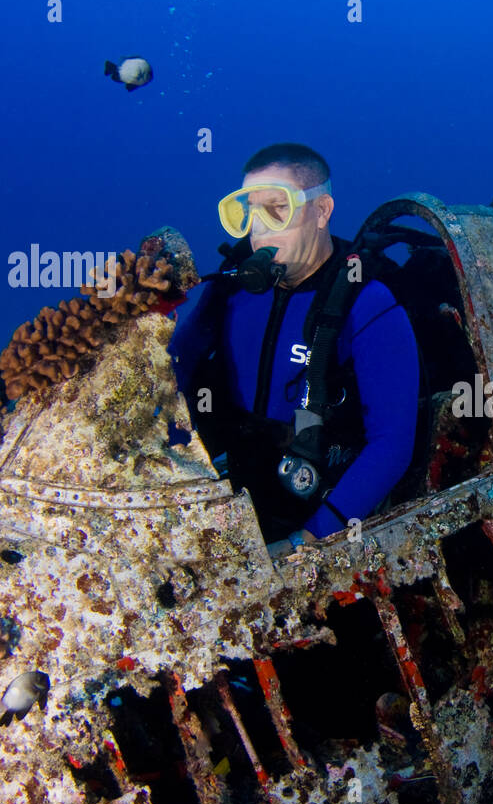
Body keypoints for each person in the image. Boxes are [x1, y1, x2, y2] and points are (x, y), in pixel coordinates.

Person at [168, 143, 419, 547]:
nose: (259, 227)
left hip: (315, 507)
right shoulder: (230, 290)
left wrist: (308, 539)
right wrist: (169, 458)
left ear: (322, 211)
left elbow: (392, 443)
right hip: (228, 490)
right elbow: (173, 369)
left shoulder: (368, 305)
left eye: (277, 208)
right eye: (248, 211)